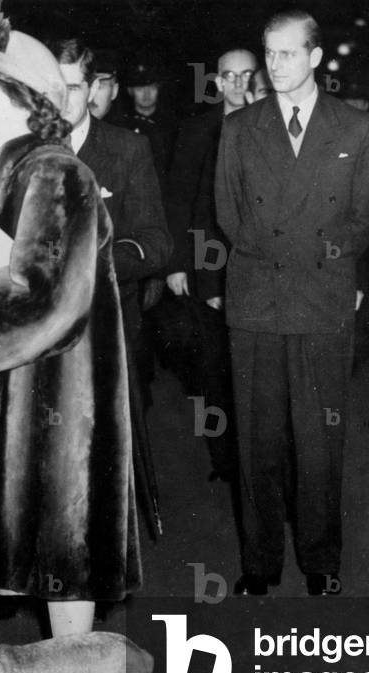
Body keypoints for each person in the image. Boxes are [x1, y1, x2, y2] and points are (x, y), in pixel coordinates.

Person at [0, 20, 140, 637]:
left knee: (68, 551)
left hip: (61, 400)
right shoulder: (15, 170)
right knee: (52, 554)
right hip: (27, 392)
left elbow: (50, 297)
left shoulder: (57, 175)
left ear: (28, 105)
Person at [215, 9, 369, 596]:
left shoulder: (356, 127)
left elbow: (367, 214)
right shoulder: (240, 128)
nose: (275, 66)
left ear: (316, 57)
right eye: (270, 55)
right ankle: (259, 564)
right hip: (259, 302)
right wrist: (278, 253)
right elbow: (228, 213)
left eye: (288, 54)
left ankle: (321, 561)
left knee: (319, 442)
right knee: (257, 444)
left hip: (321, 300)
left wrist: (323, 252)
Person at [49, 36, 171, 543]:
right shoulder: (21, 151)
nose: (62, 101)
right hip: (39, 337)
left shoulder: (126, 149)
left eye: (73, 88)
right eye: (52, 88)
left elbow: (157, 243)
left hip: (107, 329)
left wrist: (95, 263)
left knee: (100, 465)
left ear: (96, 86)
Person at [161, 47, 257, 482]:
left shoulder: (275, 128)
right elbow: (180, 202)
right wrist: (179, 265)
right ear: (217, 82)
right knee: (215, 369)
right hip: (208, 268)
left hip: (258, 271)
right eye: (229, 77)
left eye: (246, 76)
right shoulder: (198, 131)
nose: (237, 85)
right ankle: (225, 461)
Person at [88, 48, 123, 122]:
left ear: (114, 90)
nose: (91, 95)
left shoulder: (125, 131)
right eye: (88, 86)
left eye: (99, 87)